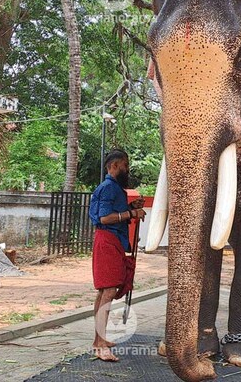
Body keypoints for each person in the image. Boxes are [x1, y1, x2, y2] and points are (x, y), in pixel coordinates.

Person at [88, 149, 145, 362]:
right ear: (114, 166)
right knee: (109, 291)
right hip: (108, 241)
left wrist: (130, 207)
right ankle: (100, 344)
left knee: (105, 291)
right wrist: (132, 214)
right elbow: (104, 218)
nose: (127, 169)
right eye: (124, 165)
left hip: (112, 241)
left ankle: (99, 340)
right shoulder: (109, 188)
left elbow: (114, 212)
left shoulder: (115, 189)